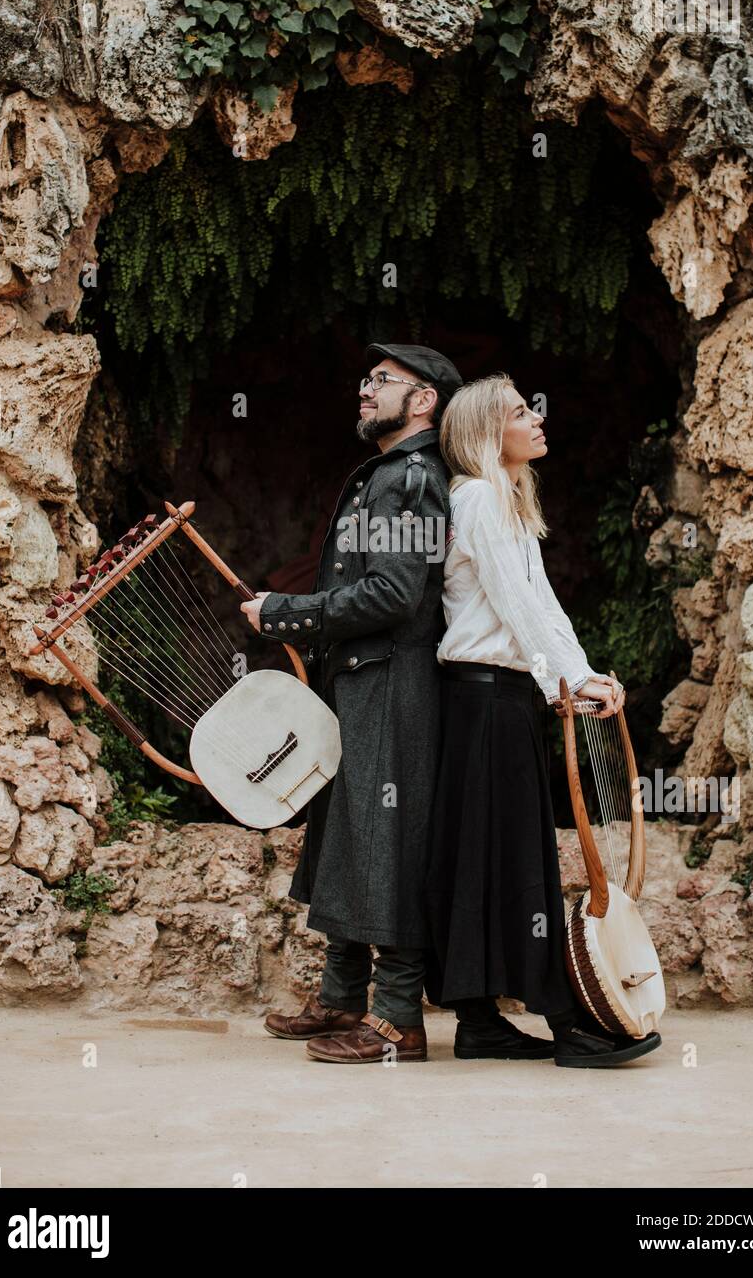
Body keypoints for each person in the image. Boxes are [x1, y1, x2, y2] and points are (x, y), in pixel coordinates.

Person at [423, 373, 662, 1068]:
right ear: (487, 433)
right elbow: (511, 606)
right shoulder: (477, 498)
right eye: (521, 412)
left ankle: (484, 1021)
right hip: (480, 700)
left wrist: (580, 677)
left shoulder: (506, 502)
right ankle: (558, 1020)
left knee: (506, 854)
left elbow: (543, 607)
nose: (537, 418)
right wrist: (566, 682)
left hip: (501, 699)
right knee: (501, 857)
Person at [242, 343, 462, 1063]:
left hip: (395, 682)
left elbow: (396, 596)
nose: (364, 391)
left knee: (388, 838)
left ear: (424, 399)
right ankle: (342, 996)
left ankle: (399, 1017)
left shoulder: (413, 477)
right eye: (364, 380)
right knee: (350, 830)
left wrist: (289, 613)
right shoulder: (391, 473)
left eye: (382, 381)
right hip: (365, 680)